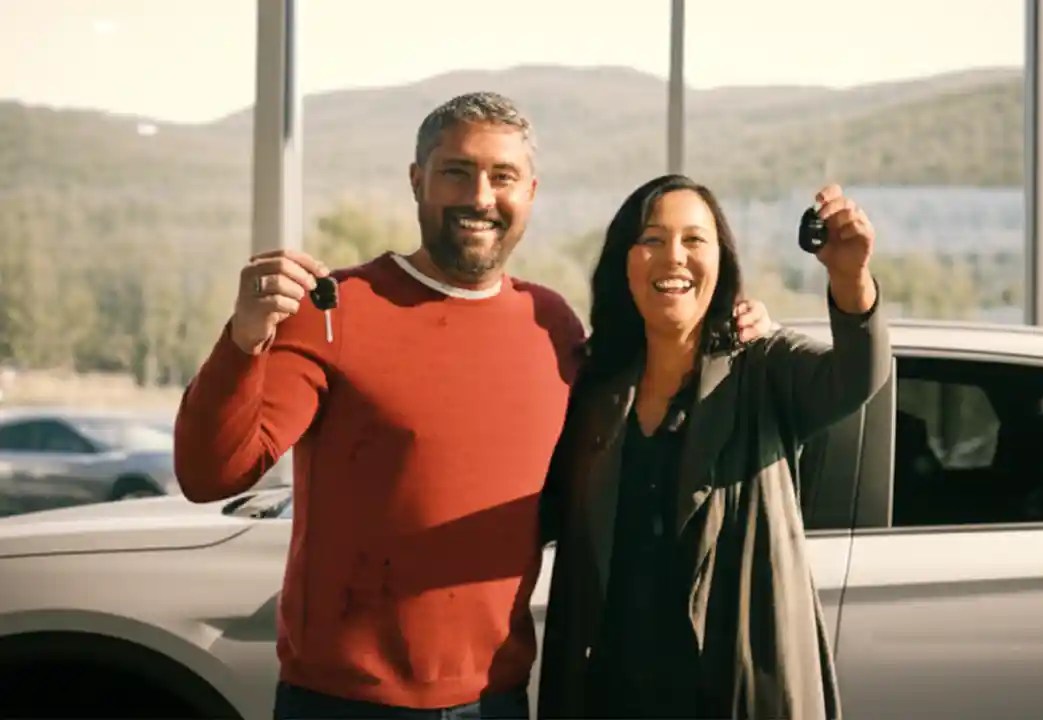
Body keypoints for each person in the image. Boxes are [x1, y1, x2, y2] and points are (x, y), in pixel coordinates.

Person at [172, 92, 775, 719]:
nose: (481, 197)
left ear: (531, 191)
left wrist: (729, 335)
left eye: (502, 176)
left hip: (495, 704)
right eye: (457, 172)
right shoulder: (334, 310)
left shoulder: (554, 325)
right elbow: (211, 473)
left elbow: (626, 432)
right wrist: (244, 340)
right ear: (417, 181)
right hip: (341, 704)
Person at [537, 174, 891, 719]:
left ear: (721, 260)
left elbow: (856, 376)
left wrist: (851, 278)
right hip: (611, 696)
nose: (672, 257)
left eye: (694, 240)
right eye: (651, 239)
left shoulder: (763, 366)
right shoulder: (594, 391)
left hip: (734, 697)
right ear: (623, 263)